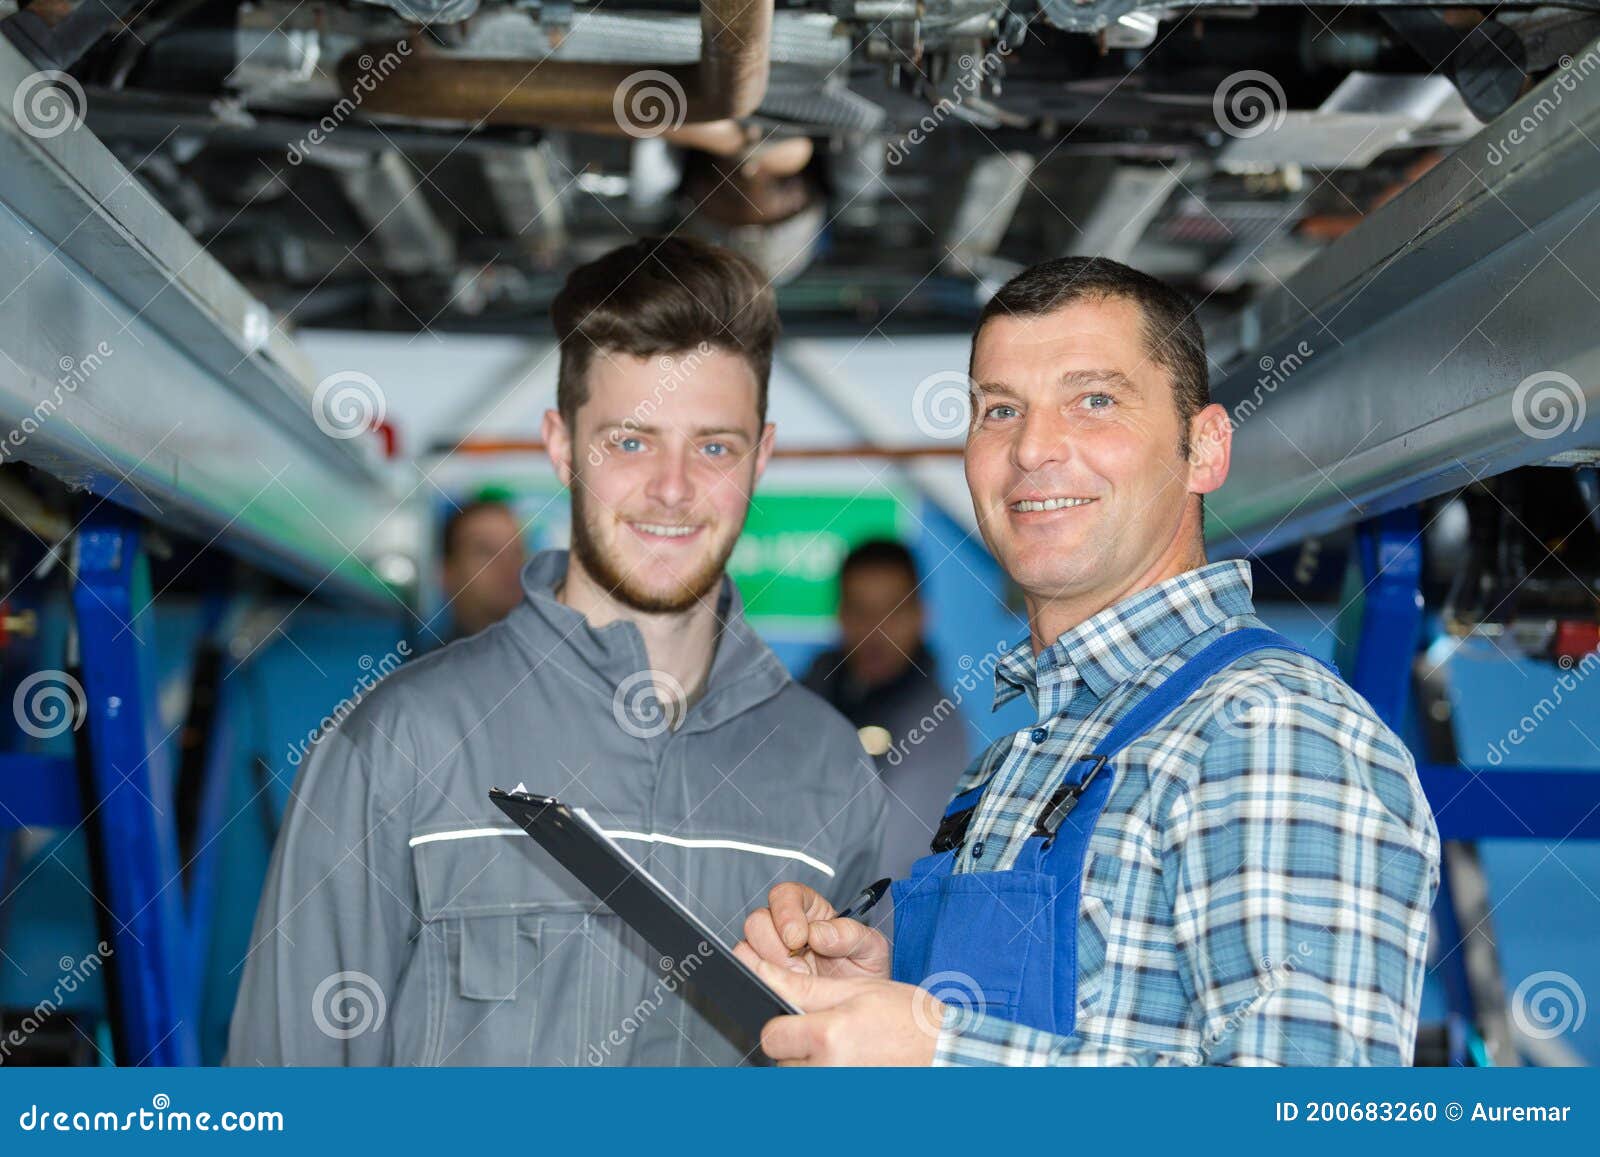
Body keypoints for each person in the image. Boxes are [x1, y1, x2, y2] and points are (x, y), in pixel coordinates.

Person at [737, 256, 1441, 1066]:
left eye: (1095, 400)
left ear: (1205, 448)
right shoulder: (1017, 761)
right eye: (1000, 409)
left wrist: (935, 1053)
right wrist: (884, 987)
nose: (1034, 447)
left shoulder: (1268, 731)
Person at [227, 236, 885, 1066]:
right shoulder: (400, 745)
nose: (674, 489)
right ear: (562, 446)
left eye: (714, 446)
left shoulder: (832, 776)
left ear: (762, 456)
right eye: (631, 442)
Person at [802, 540, 968, 883]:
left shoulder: (938, 727)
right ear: (841, 616)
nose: (876, 630)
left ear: (920, 617)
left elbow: (888, 873)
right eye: (861, 611)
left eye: (892, 612)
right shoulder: (801, 703)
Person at [438, 498, 526, 640]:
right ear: (447, 572)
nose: (508, 564)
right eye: (486, 551)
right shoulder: (431, 661)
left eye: (516, 551)